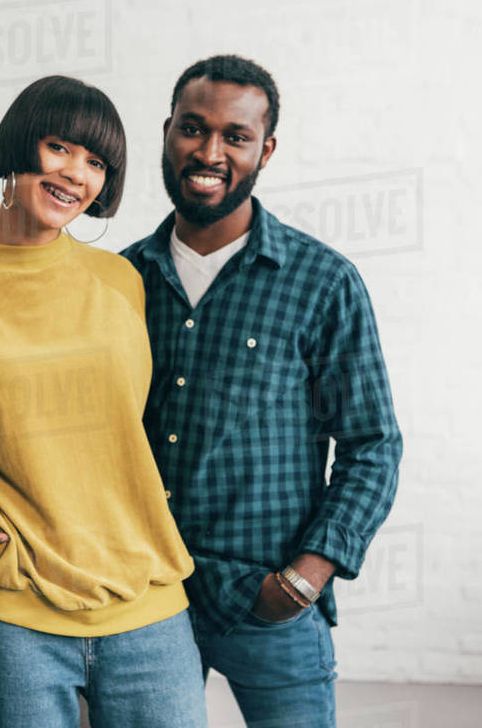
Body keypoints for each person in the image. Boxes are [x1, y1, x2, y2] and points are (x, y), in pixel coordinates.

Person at [120, 54, 403, 727]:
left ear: (265, 149)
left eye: (235, 136)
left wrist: (306, 575)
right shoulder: (120, 280)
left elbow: (372, 443)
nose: (209, 151)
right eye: (192, 128)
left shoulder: (321, 281)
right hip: (145, 599)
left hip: (266, 599)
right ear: (166, 133)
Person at [0, 75, 209, 728]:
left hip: (147, 596)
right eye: (60, 148)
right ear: (21, 146)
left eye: (96, 162)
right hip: (18, 608)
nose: (76, 174)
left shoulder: (121, 279)